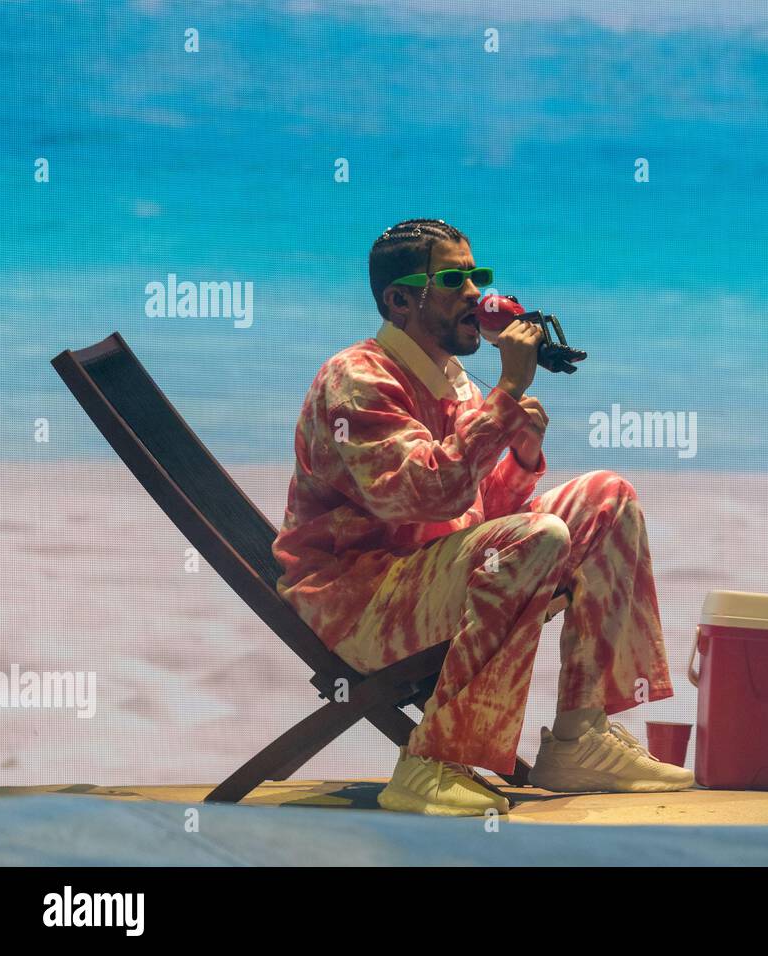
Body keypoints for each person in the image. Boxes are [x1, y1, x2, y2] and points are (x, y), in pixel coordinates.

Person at [272, 218, 692, 817]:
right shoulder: (356, 379)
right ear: (399, 300)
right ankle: (433, 762)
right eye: (451, 279)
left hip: (426, 577)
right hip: (357, 600)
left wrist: (520, 452)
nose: (474, 293)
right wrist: (507, 392)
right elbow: (424, 496)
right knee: (537, 536)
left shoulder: (453, 380)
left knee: (608, 496)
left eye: (477, 275)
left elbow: (483, 514)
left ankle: (580, 736)